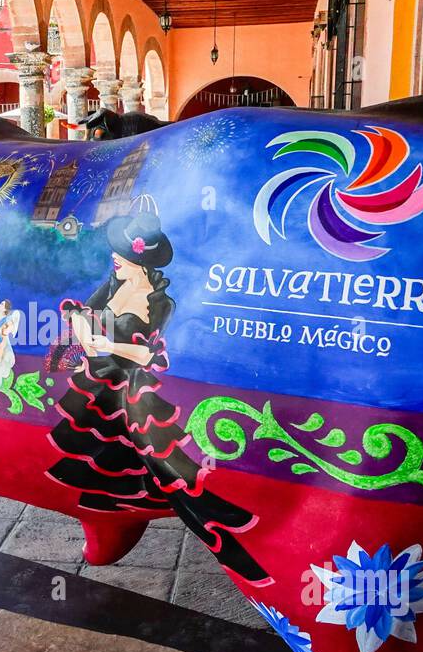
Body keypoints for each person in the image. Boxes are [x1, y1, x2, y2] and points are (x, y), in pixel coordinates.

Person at [45, 207, 270, 585]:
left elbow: (153, 353)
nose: (113, 257)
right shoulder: (113, 285)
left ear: (140, 261)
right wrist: (91, 334)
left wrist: (106, 342)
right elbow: (85, 319)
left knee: (162, 467)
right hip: (97, 383)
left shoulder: (161, 303)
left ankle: (233, 538)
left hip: (130, 389)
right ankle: (108, 522)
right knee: (100, 465)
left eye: (121, 253)